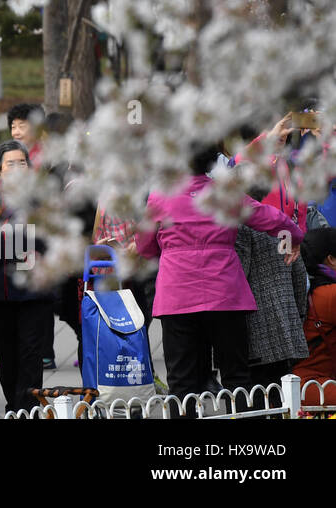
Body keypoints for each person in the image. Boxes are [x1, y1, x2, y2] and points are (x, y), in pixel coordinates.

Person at [135, 143, 303, 413]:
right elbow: (266, 216)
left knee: (181, 380)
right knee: (237, 376)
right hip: (226, 294)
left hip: (177, 296)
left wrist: (168, 253)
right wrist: (294, 235)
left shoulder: (160, 197)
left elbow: (144, 246)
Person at [0, 140, 52, 413]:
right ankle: (12, 406)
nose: (17, 168)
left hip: (34, 292)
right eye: (10, 163)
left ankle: (28, 409)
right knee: (7, 357)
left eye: (22, 162)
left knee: (31, 355)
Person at [235, 187, 309, 402]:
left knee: (259, 395)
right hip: (287, 323)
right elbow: (299, 275)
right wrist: (298, 314)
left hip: (256, 325)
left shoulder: (241, 228)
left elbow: (240, 274)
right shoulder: (282, 225)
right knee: (283, 394)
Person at [293, 227, 336, 406]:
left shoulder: (309, 289)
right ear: (331, 259)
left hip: (300, 385)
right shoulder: (330, 295)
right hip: (315, 385)